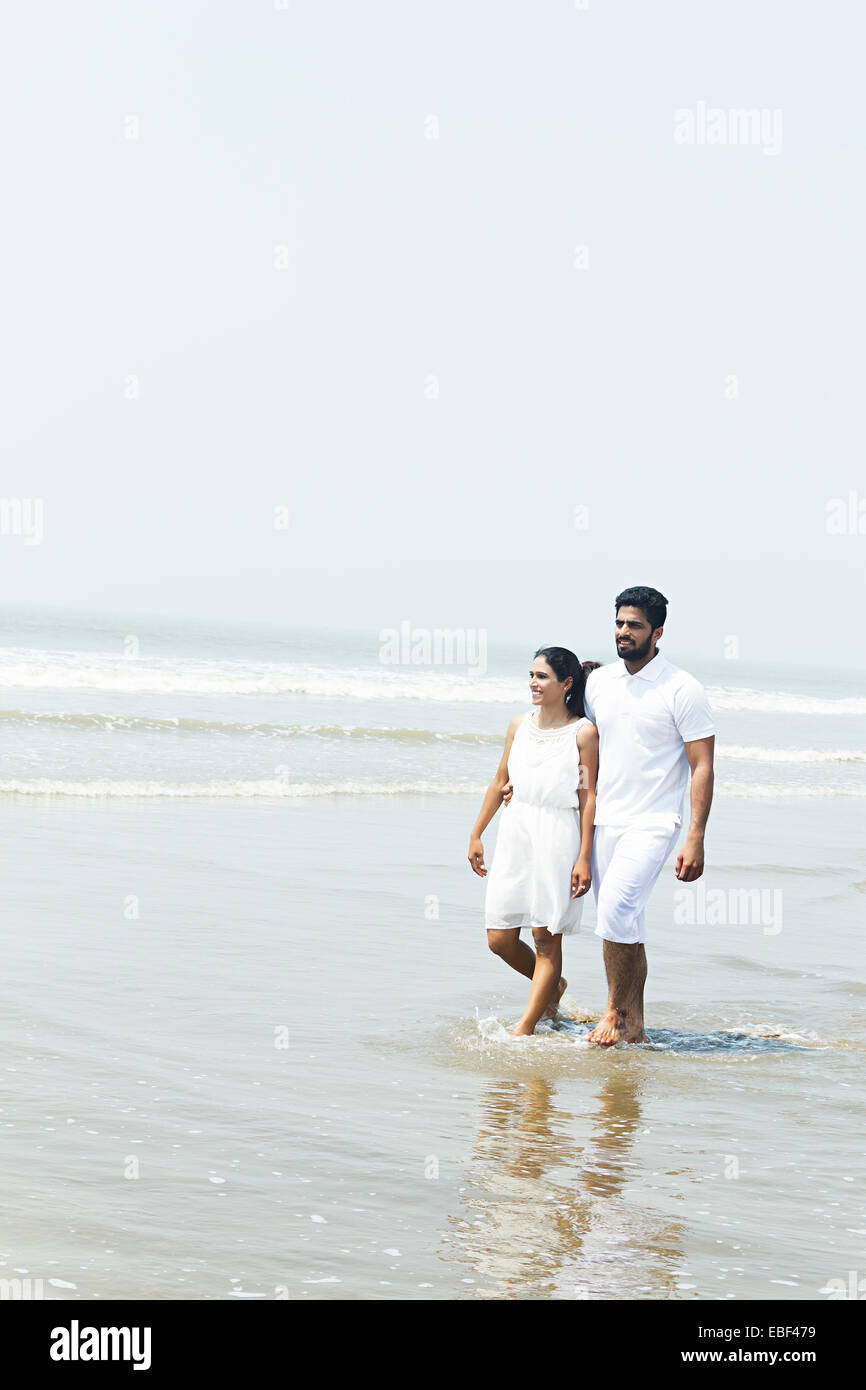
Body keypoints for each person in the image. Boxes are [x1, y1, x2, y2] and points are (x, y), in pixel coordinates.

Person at [581, 586, 716, 1044]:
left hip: (654, 822)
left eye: (634, 625)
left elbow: (702, 765)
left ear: (657, 632)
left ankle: (614, 1014)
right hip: (605, 821)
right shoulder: (599, 684)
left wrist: (695, 836)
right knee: (626, 922)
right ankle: (634, 1025)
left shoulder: (682, 688)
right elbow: (579, 741)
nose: (624, 632)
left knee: (616, 910)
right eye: (619, 623)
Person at [467, 647, 599, 1037]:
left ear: (567, 683)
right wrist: (476, 833)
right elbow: (500, 781)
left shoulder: (583, 733)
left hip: (558, 834)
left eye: (542, 677)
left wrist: (585, 856)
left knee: (545, 936)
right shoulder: (517, 725)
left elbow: (588, 796)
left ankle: (525, 1027)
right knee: (500, 938)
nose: (533, 683)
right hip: (516, 830)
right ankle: (553, 987)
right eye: (531, 675)